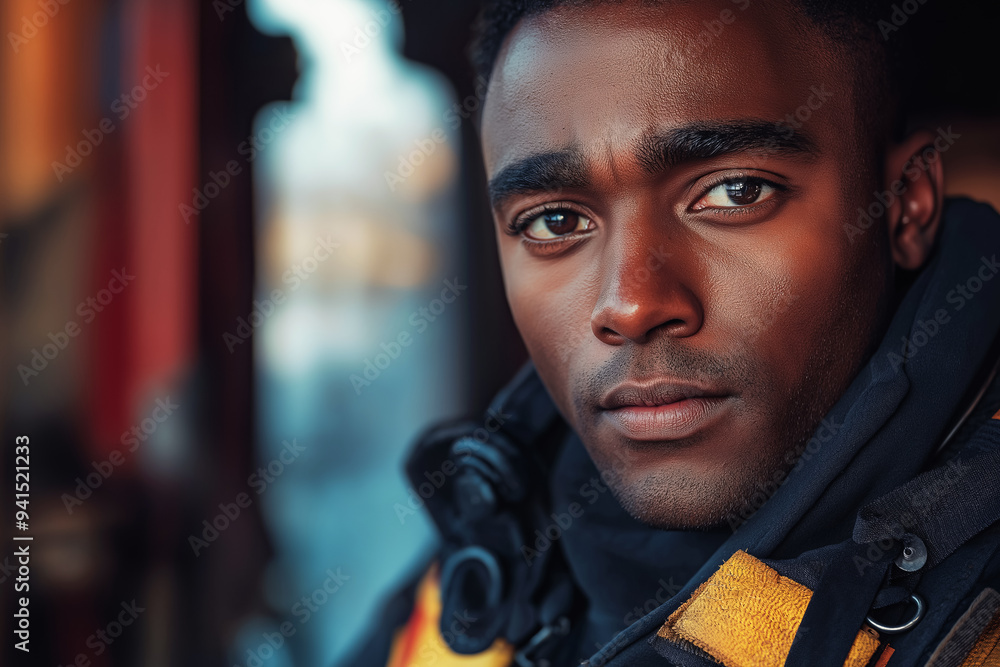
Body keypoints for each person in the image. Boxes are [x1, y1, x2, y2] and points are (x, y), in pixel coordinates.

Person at [347, 0, 1000, 664]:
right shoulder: (476, 581)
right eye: (555, 221)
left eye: (736, 192)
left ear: (904, 206)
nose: (631, 305)